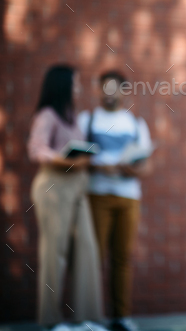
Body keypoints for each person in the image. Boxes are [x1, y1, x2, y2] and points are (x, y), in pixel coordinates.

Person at [28, 64, 107, 331]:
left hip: (76, 188)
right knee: (55, 252)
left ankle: (85, 319)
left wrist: (84, 157)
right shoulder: (47, 115)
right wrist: (62, 158)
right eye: (74, 83)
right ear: (62, 86)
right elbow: (37, 149)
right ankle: (51, 322)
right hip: (53, 188)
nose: (78, 88)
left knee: (87, 249)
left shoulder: (72, 116)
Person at [78, 70, 153, 331]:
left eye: (114, 89)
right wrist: (99, 166)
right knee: (92, 257)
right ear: (98, 90)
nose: (109, 94)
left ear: (123, 91)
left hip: (128, 197)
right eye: (104, 89)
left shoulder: (135, 124)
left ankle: (120, 317)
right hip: (96, 195)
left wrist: (129, 169)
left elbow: (146, 166)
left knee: (122, 258)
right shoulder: (87, 121)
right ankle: (89, 317)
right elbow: (75, 159)